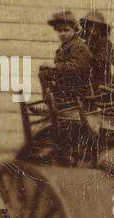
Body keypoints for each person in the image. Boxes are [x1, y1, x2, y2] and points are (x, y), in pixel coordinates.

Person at [38, 10, 97, 164]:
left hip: (78, 90)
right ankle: (50, 103)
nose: (63, 33)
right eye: (60, 30)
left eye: (66, 30)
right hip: (68, 88)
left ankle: (51, 104)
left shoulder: (78, 46)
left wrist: (55, 66)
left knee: (47, 71)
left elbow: (77, 67)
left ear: (74, 30)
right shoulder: (66, 46)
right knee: (44, 72)